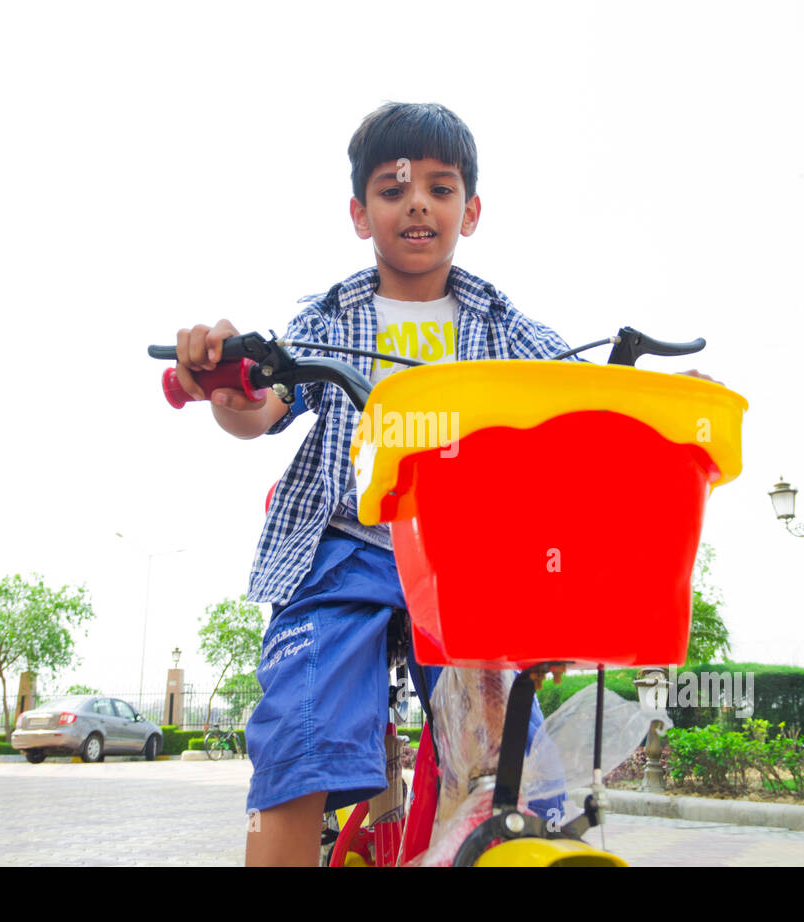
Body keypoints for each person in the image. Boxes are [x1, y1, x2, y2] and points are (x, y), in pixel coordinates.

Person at [176, 103, 655, 866]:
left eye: (439, 186)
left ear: (471, 210)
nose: (418, 203)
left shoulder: (502, 323)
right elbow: (264, 406)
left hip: (466, 557)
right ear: (360, 214)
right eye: (393, 190)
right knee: (299, 724)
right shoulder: (331, 317)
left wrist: (655, 405)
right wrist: (232, 390)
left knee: (508, 747)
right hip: (344, 547)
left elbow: (585, 398)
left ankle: (499, 832)